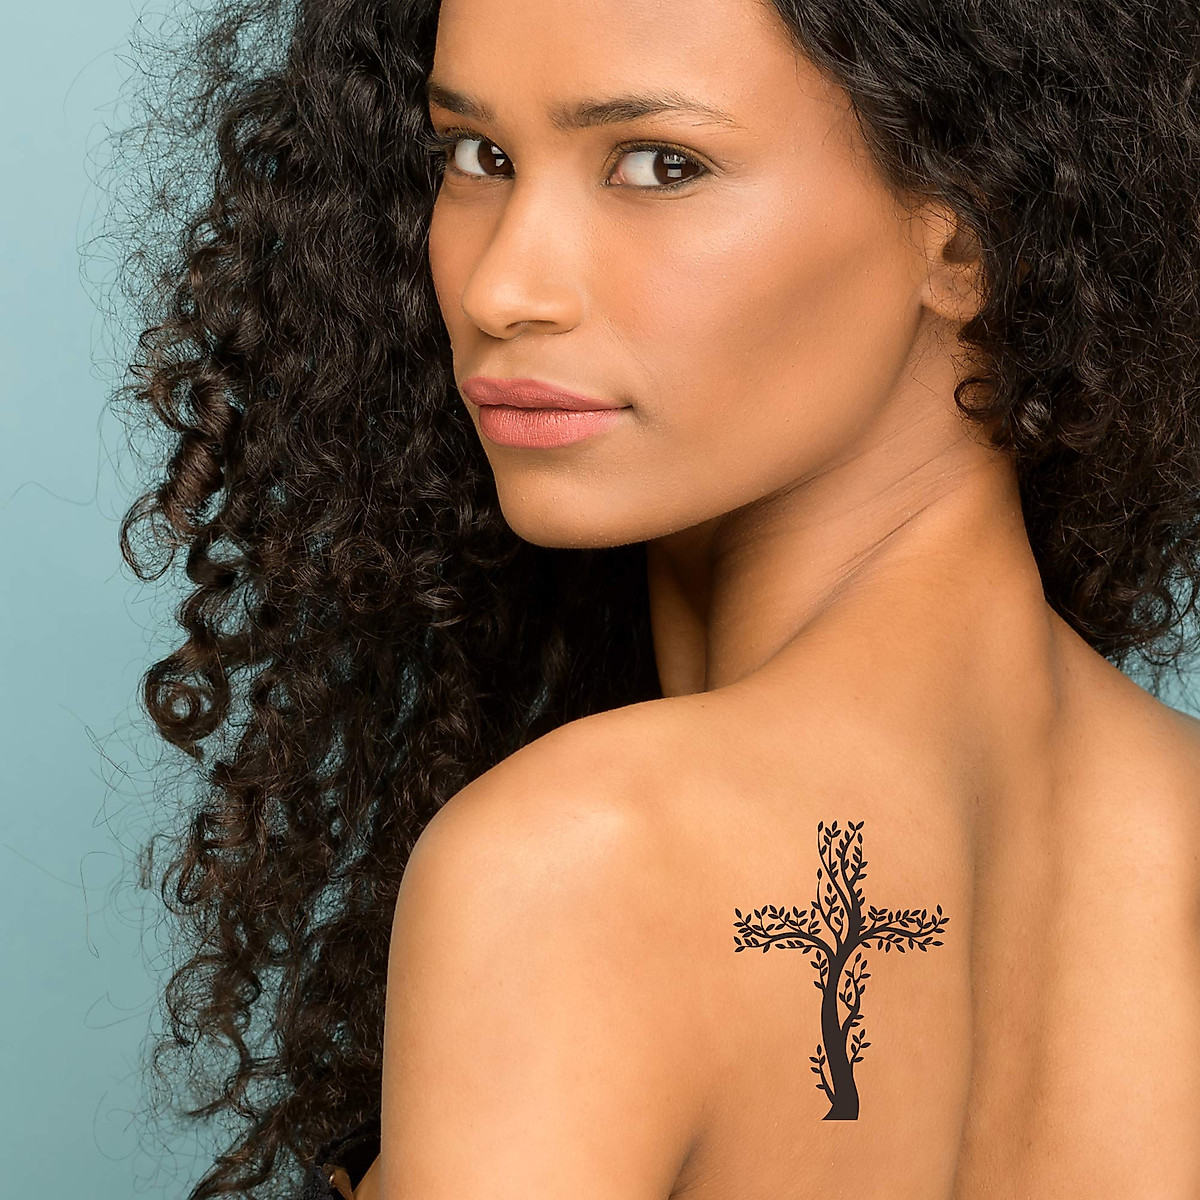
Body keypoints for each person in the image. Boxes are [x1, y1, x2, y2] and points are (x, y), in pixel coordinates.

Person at [109, 0, 1200, 1195]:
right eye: (477, 155)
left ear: (972, 234)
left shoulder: (588, 863)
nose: (503, 289)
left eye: (658, 165)